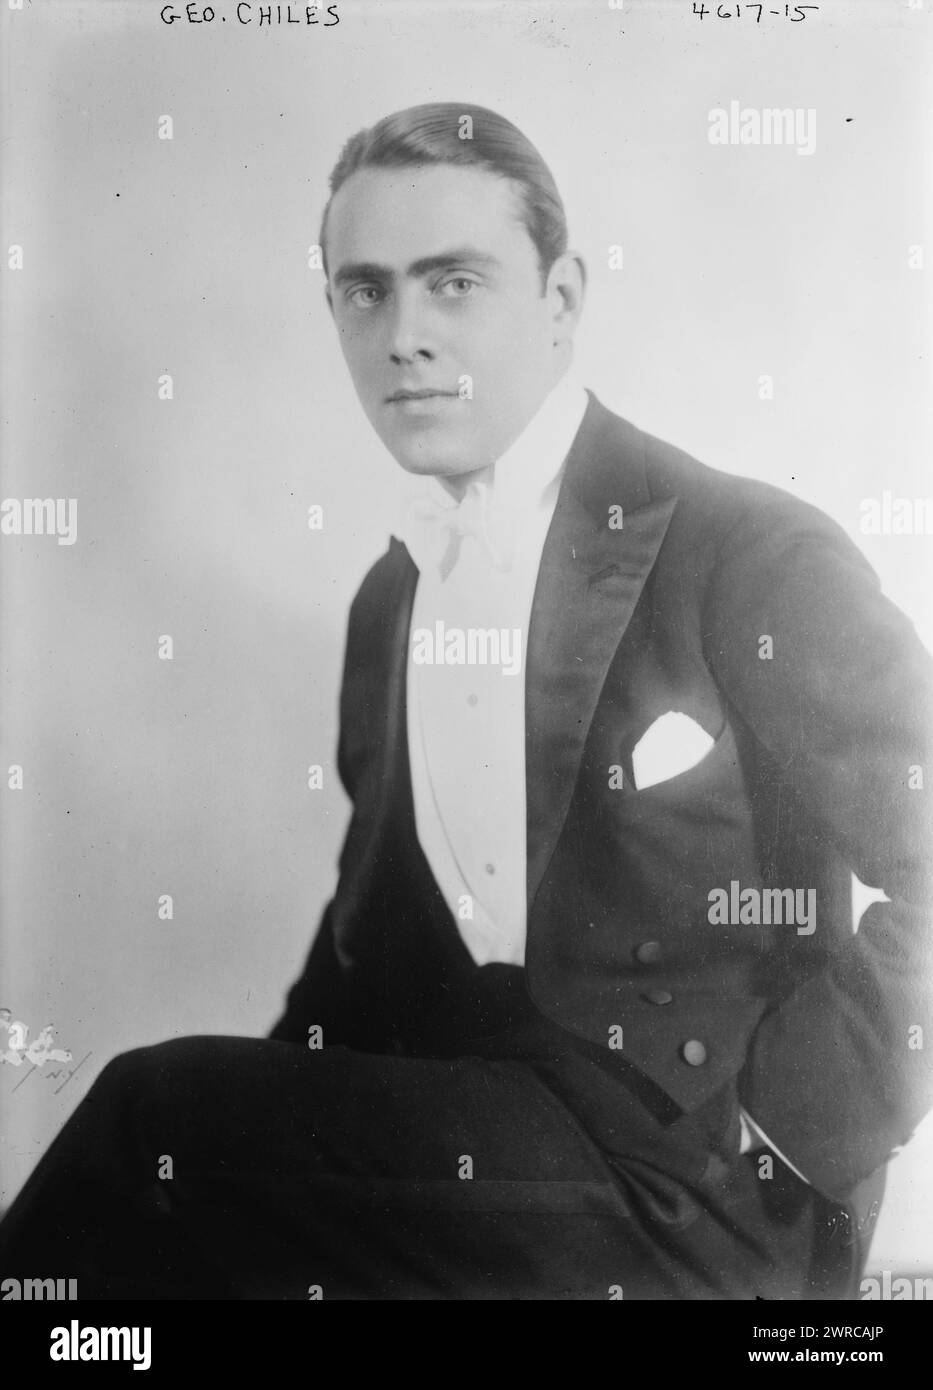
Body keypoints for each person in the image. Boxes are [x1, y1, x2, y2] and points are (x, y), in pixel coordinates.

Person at [1, 102, 931, 1301]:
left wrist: (787, 1135)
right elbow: (363, 959)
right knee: (182, 1195)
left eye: (453, 284)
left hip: (695, 1188)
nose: (404, 337)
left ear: (559, 301)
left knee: (147, 1122)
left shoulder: (744, 549)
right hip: (483, 1140)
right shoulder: (392, 597)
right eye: (365, 293)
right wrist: (264, 1143)